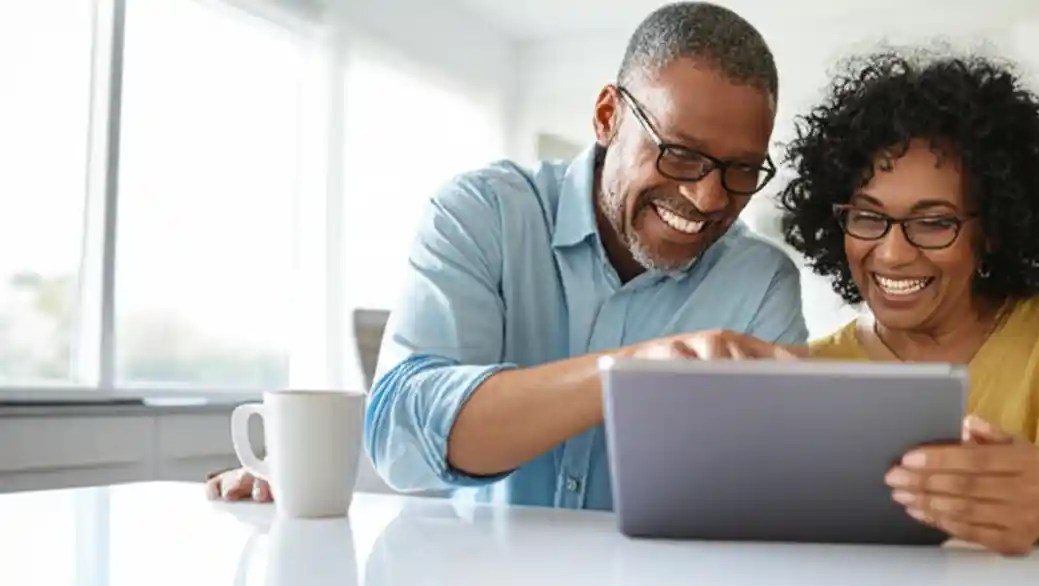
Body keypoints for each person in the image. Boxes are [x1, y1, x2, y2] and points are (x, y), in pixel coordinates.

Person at [207, 2, 807, 506]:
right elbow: (402, 437)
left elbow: (770, 491)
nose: (707, 197)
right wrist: (631, 373)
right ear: (607, 117)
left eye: (741, 170)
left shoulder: (759, 281)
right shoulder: (482, 215)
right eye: (680, 154)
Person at [779, 49, 1039, 555]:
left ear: (994, 232)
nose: (892, 254)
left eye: (933, 222)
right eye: (869, 217)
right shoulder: (812, 373)